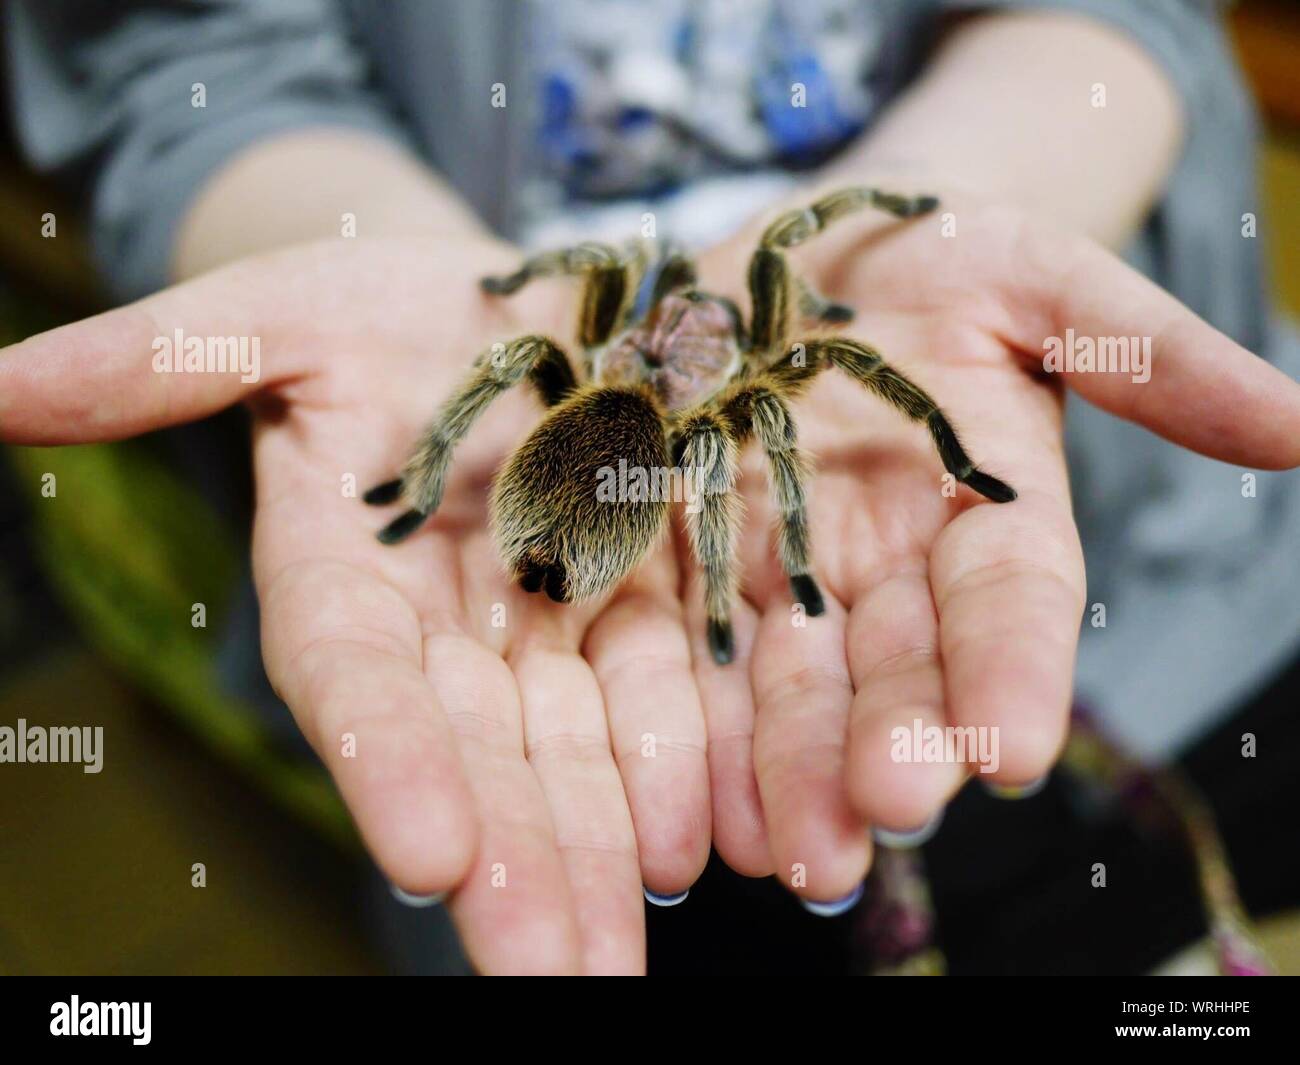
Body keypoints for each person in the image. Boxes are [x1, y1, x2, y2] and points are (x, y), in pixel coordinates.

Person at [3, 0, 1299, 975]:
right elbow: (182, 64)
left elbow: (533, 337)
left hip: (1202, 586)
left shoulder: (594, 339)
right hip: (663, 687)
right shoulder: (748, 376)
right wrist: (776, 576)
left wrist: (941, 198)